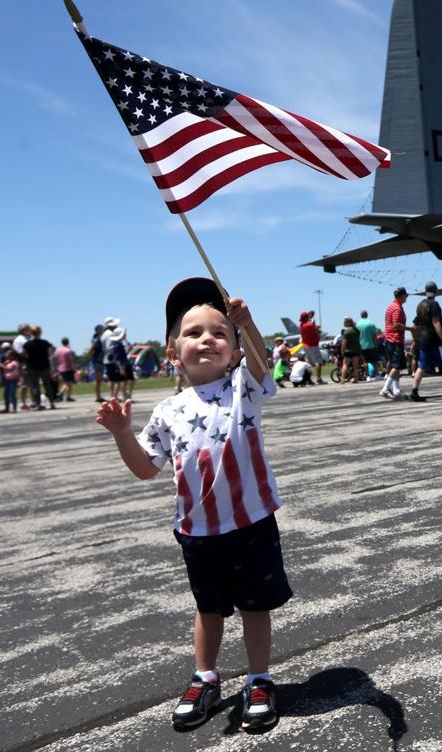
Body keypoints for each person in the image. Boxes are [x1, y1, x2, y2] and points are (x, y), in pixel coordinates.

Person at [95, 278, 291, 732]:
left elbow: (263, 364)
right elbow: (146, 468)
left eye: (220, 333)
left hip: (250, 523)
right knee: (208, 610)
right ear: (172, 352)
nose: (208, 339)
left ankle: (259, 679)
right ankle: (205, 677)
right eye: (194, 333)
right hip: (197, 531)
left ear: (236, 349)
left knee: (255, 607)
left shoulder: (245, 387)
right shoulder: (167, 410)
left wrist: (249, 324)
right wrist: (123, 435)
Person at [379, 287, 409, 400]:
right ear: (402, 296)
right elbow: (396, 325)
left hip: (389, 339)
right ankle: (385, 389)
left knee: (395, 365)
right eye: (405, 296)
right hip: (395, 339)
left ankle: (396, 389)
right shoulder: (397, 308)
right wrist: (410, 329)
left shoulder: (392, 306)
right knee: (396, 366)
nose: (406, 298)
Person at [24, 326, 56, 410]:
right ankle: (52, 402)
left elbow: (24, 355)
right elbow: (49, 354)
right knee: (47, 385)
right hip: (44, 366)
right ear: (40, 333)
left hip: (32, 367)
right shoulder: (45, 343)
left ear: (32, 333)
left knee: (35, 386)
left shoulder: (27, 344)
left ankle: (38, 404)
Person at [298, 311, 324, 384]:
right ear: (306, 317)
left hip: (305, 345)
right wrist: (314, 324)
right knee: (318, 362)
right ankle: (319, 379)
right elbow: (317, 330)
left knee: (310, 364)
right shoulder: (309, 325)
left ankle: (308, 379)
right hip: (313, 345)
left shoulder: (301, 325)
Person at [339, 316, 363, 384]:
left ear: (348, 322)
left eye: (345, 321)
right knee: (355, 365)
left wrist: (342, 351)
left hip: (348, 351)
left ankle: (343, 379)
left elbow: (344, 343)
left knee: (345, 365)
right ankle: (356, 379)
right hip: (356, 350)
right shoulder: (357, 330)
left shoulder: (347, 331)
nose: (344, 322)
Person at [356, 310, 378, 381]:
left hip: (362, 346)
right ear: (367, 315)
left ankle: (367, 376)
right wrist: (376, 344)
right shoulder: (371, 323)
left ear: (361, 315)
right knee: (374, 361)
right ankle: (376, 375)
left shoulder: (357, 325)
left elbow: (356, 336)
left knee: (365, 362)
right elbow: (374, 335)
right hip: (371, 345)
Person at [55, 337, 77, 402]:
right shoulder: (68, 350)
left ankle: (60, 394)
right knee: (69, 384)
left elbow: (56, 360)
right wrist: (74, 368)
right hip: (68, 368)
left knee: (62, 383)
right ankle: (66, 396)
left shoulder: (58, 350)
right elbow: (71, 360)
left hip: (60, 369)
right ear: (68, 342)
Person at [89, 324, 106, 403]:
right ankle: (98, 396)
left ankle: (99, 396)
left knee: (99, 379)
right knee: (98, 379)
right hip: (97, 361)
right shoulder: (96, 339)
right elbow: (91, 349)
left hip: (100, 360)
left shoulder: (96, 338)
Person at [2, 348, 21, 413]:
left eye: (8, 354)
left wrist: (0, 365)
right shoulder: (7, 362)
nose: (6, 355)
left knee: (12, 394)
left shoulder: (14, 362)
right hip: (7, 380)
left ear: (12, 356)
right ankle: (7, 408)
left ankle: (14, 408)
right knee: (6, 394)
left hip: (13, 380)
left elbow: (8, 369)